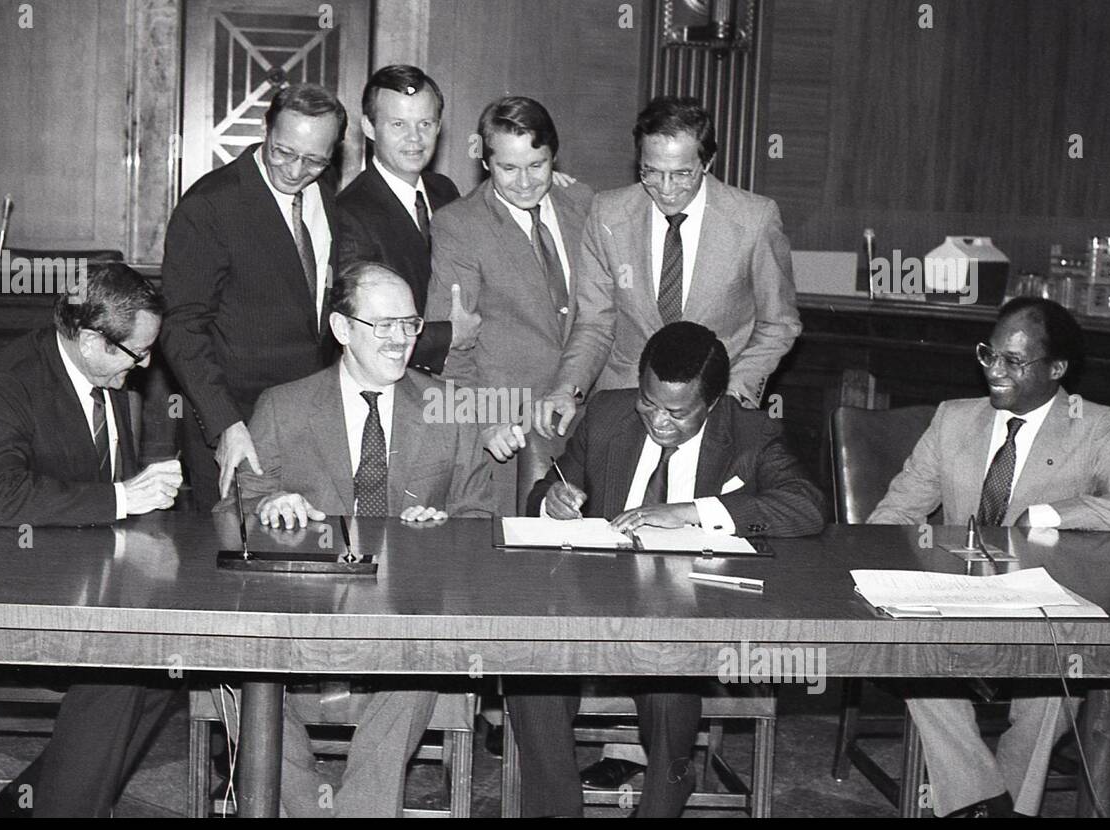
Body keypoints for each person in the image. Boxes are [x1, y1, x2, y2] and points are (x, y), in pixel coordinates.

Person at [505, 321, 824, 817]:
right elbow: (541, 493)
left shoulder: (749, 431)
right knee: (532, 674)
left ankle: (662, 798)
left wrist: (692, 511)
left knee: (669, 681)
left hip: (692, 620)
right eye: (649, 403)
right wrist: (554, 502)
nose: (658, 421)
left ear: (713, 403)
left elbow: (806, 506)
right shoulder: (609, 415)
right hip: (594, 611)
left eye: (677, 412)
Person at [234, 261, 497, 816]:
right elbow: (229, 513)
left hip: (406, 619)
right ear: (342, 327)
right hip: (303, 619)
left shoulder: (449, 407)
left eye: (410, 323)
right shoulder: (283, 407)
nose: (401, 339)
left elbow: (479, 520)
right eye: (384, 325)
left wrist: (446, 530)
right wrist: (268, 506)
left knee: (422, 656)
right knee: (239, 664)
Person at [0, 263, 183, 816]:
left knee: (174, 663)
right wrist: (123, 497)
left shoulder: (109, 377)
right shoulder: (12, 378)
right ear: (92, 338)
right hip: (1, 593)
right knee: (121, 669)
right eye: (136, 353)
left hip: (81, 586)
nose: (146, 366)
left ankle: (37, 802)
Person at [869, 296, 1110, 817]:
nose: (994, 370)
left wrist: (1050, 514)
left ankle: (998, 815)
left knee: (1055, 687)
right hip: (952, 604)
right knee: (913, 657)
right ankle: (989, 806)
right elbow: (895, 513)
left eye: (1014, 361)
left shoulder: (1096, 425)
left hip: (1043, 615)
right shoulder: (953, 419)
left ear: (1056, 369)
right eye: (990, 354)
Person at [533, 96, 800, 440]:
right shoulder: (607, 215)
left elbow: (778, 325)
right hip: (624, 407)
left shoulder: (754, 220)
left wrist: (735, 392)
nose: (667, 189)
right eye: (652, 172)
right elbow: (595, 323)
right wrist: (567, 388)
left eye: (682, 174)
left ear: (708, 162)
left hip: (716, 408)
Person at [161, 83, 345, 510]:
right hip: (238, 421)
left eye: (314, 159)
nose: (296, 171)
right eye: (283, 151)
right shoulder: (210, 205)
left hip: (310, 418)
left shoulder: (327, 193)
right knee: (229, 552)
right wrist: (225, 423)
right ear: (265, 130)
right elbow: (183, 327)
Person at [423, 95, 594, 514]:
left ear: (554, 157)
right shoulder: (459, 226)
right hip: (509, 435)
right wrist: (482, 422)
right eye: (508, 168)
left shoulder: (586, 203)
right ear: (485, 162)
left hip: (589, 425)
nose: (524, 182)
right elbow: (449, 349)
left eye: (537, 165)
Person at [336, 64, 470, 369]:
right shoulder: (349, 212)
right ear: (369, 128)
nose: (415, 139)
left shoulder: (444, 191)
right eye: (398, 124)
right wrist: (449, 335)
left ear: (439, 127)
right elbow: (361, 330)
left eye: (425, 123)